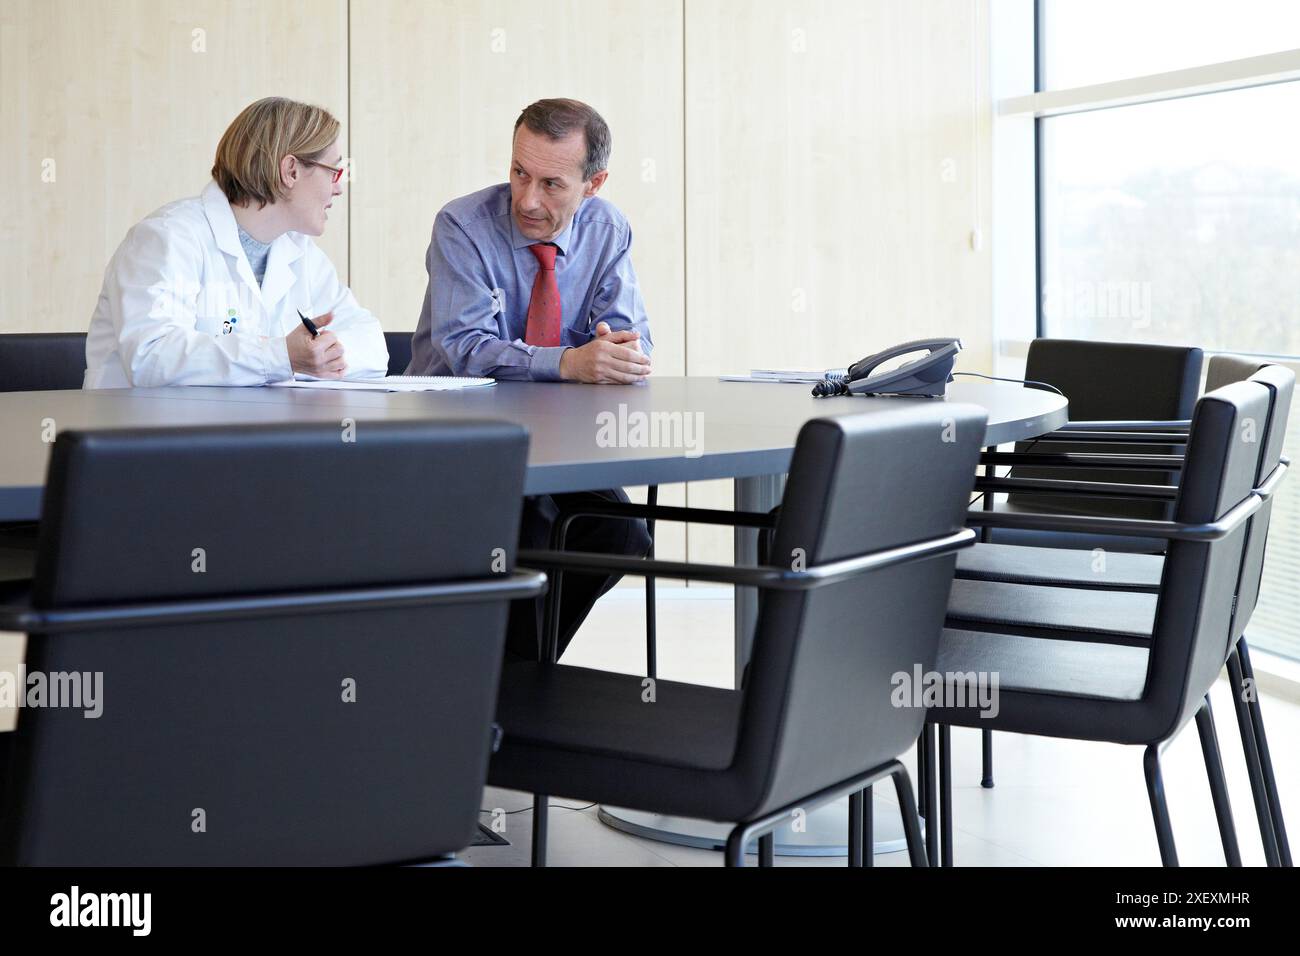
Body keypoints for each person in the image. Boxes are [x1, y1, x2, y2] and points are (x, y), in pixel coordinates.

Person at [407, 97, 653, 660]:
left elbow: (633, 340)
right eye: (519, 173)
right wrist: (569, 362)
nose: (527, 199)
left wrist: (620, 357)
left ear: (594, 183)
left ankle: (515, 681)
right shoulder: (462, 226)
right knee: (534, 527)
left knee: (622, 534)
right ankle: (503, 694)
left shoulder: (608, 228)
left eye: (551, 184)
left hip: (557, 439)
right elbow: (466, 349)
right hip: (457, 434)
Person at [84, 96, 387, 389]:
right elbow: (150, 357)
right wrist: (282, 357)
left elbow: (373, 346)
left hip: (249, 431)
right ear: (290, 171)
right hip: (143, 436)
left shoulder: (300, 252)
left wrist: (317, 357)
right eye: (334, 172)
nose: (339, 189)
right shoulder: (167, 238)